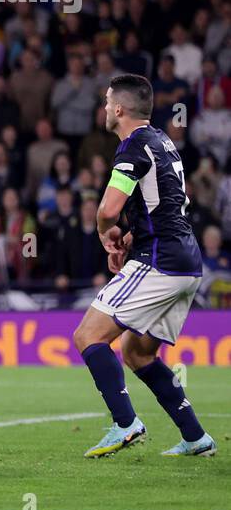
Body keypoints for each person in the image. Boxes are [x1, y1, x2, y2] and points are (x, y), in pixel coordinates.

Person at [71, 74, 216, 458]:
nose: (103, 109)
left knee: (88, 336)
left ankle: (125, 424)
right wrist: (132, 237)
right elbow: (167, 205)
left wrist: (107, 232)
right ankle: (196, 437)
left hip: (161, 261)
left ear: (119, 109)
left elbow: (107, 209)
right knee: (137, 352)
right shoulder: (164, 142)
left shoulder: (133, 146)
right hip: (186, 262)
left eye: (105, 102)